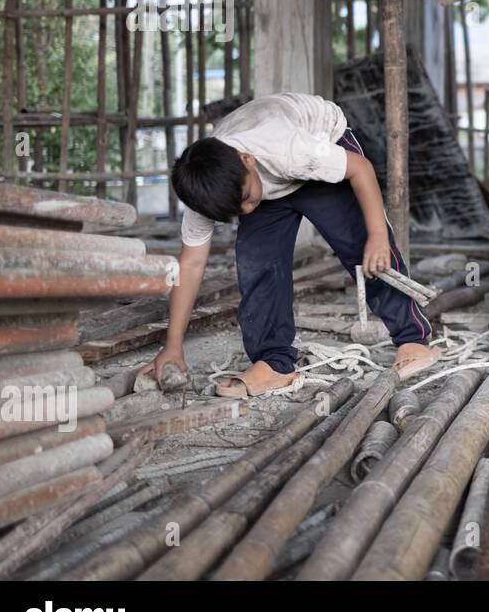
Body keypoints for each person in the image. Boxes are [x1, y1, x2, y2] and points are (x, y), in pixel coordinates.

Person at [138, 92, 436, 397]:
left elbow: (362, 169)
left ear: (247, 160)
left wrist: (377, 236)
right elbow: (190, 264)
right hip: (267, 172)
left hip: (321, 142)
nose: (246, 212)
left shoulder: (290, 150)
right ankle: (274, 363)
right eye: (234, 213)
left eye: (244, 199)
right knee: (257, 266)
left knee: (362, 247)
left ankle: (413, 337)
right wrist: (172, 345)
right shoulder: (209, 188)